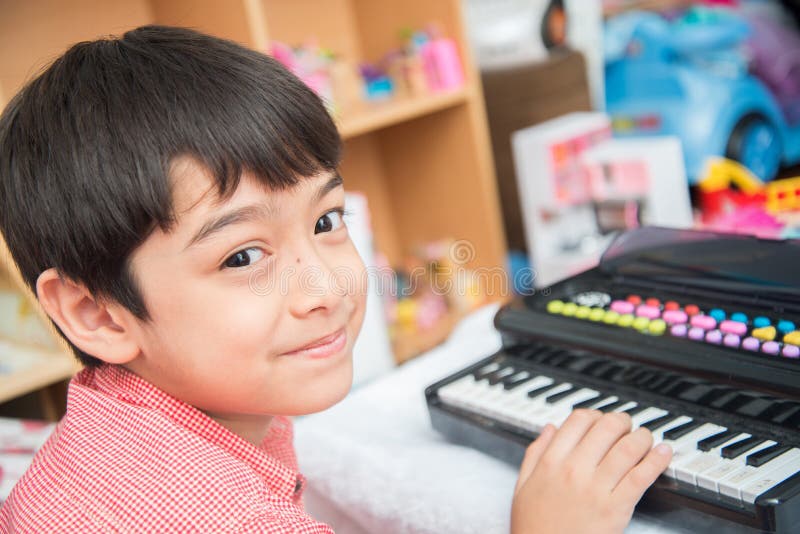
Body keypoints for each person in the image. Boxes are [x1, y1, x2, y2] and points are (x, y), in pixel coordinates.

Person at [0, 25, 671, 532]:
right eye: (243, 257)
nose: (328, 289)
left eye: (326, 220)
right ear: (94, 314)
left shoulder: (112, 437)